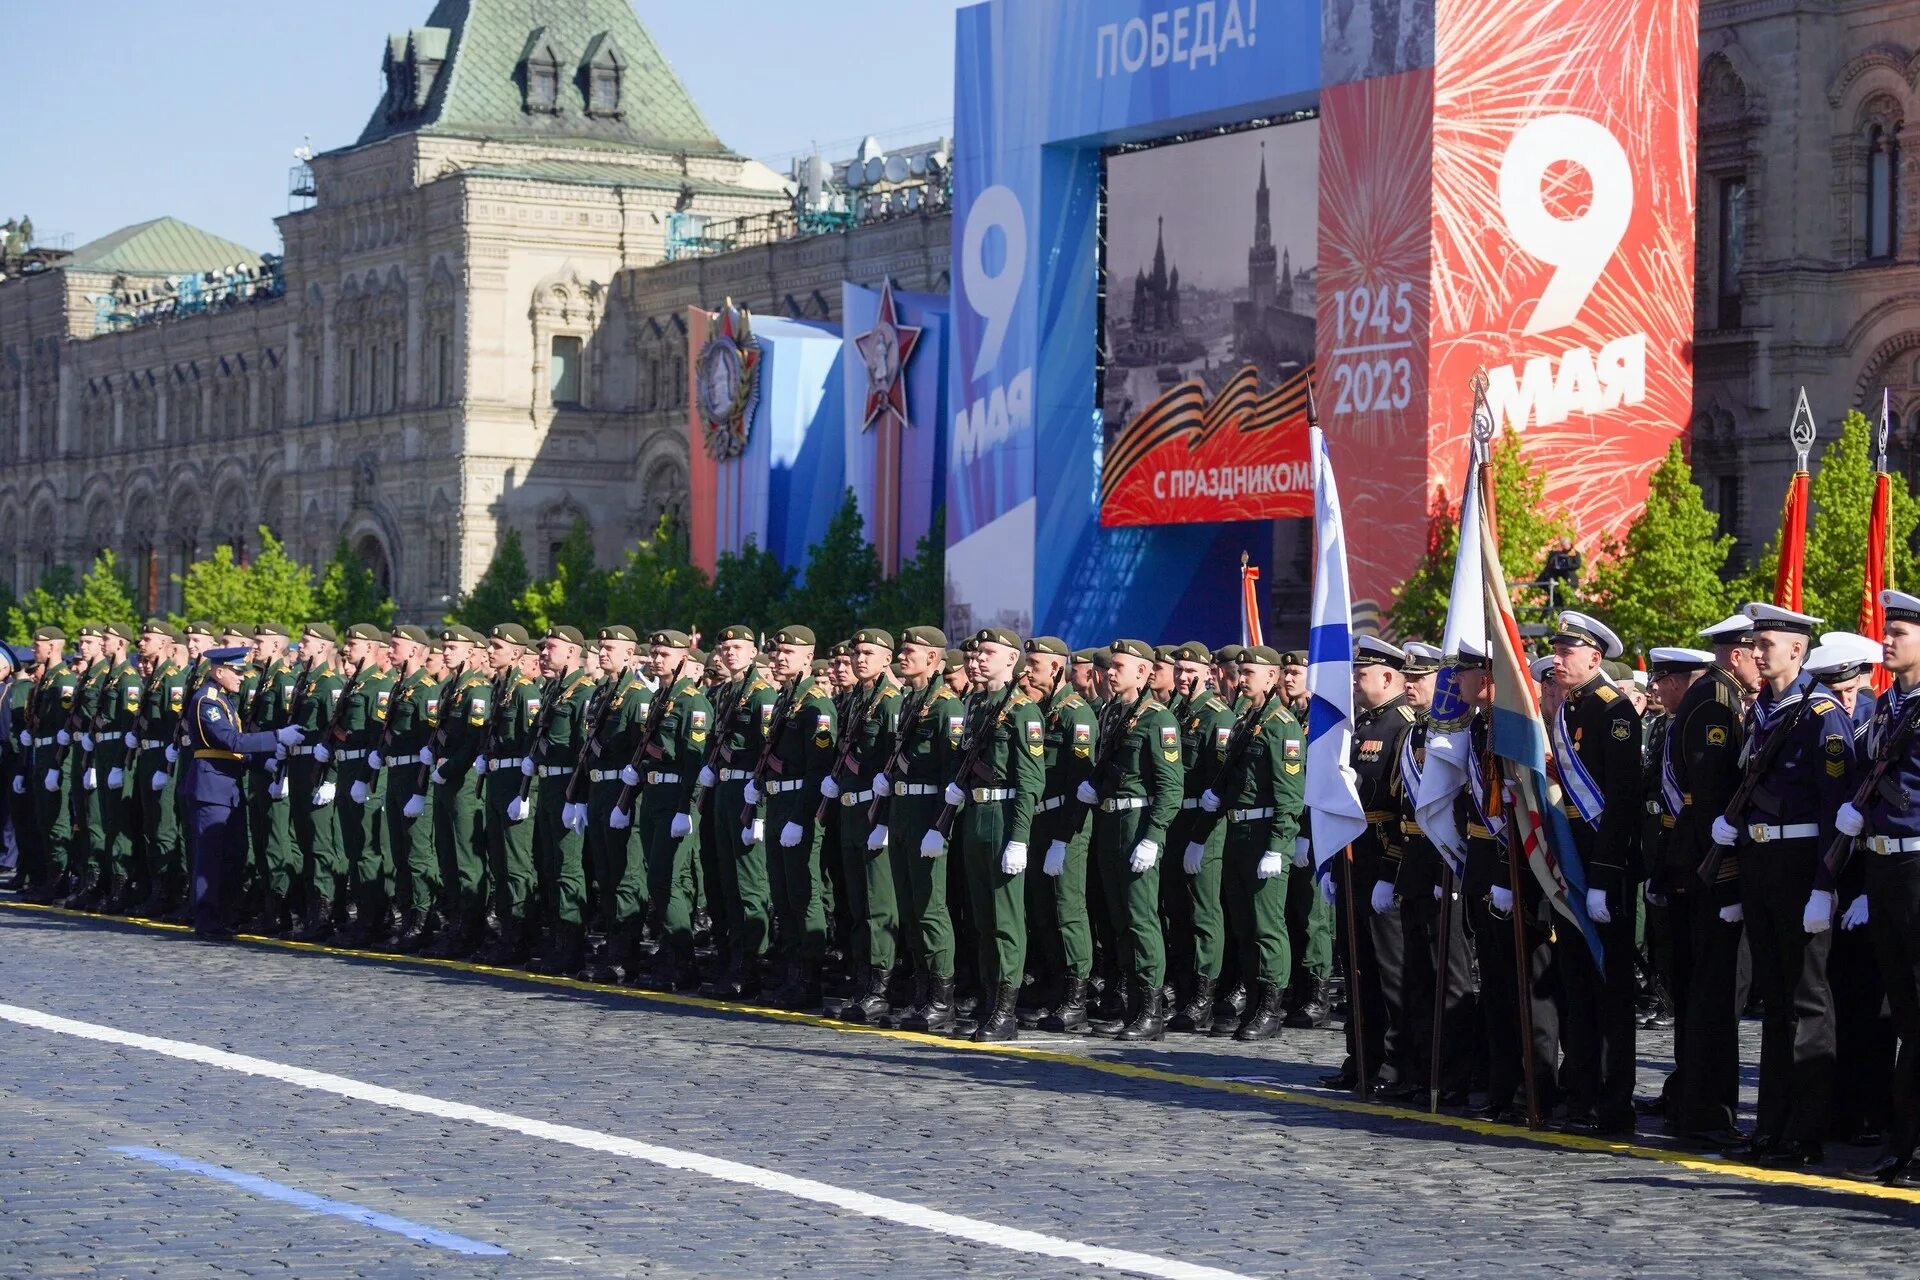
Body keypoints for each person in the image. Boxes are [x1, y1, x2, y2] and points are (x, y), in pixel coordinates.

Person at [1708, 602, 1855, 1167]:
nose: (1756, 650)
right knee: (1774, 1002)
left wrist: (1825, 884)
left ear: (1797, 649)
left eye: (1766, 642)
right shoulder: (1765, 710)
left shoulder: (1821, 715)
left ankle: (1805, 1129)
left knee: (1807, 999)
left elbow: (1838, 807)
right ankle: (1771, 1123)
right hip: (1763, 862)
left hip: (1800, 863)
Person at [1642, 643, 1745, 1148]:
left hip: (1702, 865)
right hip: (1689, 862)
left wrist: (1719, 874)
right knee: (1694, 989)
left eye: (1665, 679)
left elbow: (1710, 795)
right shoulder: (1707, 701)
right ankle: (1695, 1101)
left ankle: (1705, 1106)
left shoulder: (1711, 703)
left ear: (1687, 678)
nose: (1658, 688)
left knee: (1708, 994)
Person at [1547, 610, 1643, 1136]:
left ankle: (1613, 1101)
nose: (1558, 659)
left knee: (1609, 989)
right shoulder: (1571, 709)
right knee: (1577, 985)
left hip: (1606, 871)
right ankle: (1581, 1094)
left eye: (1568, 651)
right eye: (1556, 650)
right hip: (1575, 867)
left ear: (1594, 657)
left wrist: (1604, 876)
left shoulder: (1614, 710)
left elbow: (1623, 802)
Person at [1844, 590, 1920, 1184]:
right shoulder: (1890, 707)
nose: (1886, 640)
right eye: (1886, 630)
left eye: (1898, 631)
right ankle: (1905, 1138)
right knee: (1905, 1015)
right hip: (1884, 868)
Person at [935, 628, 1044, 1041]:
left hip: (1003, 816)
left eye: (988, 654)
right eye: (977, 653)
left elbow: (1031, 782)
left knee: (1005, 920)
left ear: (1010, 660)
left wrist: (1019, 838)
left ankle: (1005, 1010)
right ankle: (987, 998)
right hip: (977, 814)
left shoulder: (1022, 711)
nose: (978, 659)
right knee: (982, 919)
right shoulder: (976, 704)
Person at [1192, 645, 1305, 1040]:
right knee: (1243, 924)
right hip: (1238, 832)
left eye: (1250, 673)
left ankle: (1271, 1010)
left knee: (1267, 925)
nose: (1241, 679)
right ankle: (1254, 1002)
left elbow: (1289, 795)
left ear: (1272, 677)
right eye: (1240, 672)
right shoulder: (1246, 720)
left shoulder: (1281, 725)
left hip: (1263, 834)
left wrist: (1277, 846)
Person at [1809, 630, 1894, 1149]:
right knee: (1842, 996)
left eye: (1850, 682)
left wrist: (1867, 888)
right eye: (1832, 685)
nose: (1843, 695)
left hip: (1872, 877)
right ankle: (1845, 1108)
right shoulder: (1853, 721)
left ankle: (1875, 1111)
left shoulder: (1877, 717)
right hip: (1841, 878)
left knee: (1874, 1007)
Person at [1078, 638, 1183, 1041]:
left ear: (1142, 672)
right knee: (1118, 920)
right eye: (1110, 666)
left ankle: (1151, 1011)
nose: (1110, 672)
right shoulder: (1110, 713)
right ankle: (1133, 1005)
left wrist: (1153, 837)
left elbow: (1171, 787)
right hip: (1109, 823)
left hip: (1138, 822)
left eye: (1119, 666)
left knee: (1141, 919)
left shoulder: (1158, 719)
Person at [1326, 635, 1416, 1094]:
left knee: (1388, 968)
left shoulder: (1403, 725)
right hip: (1352, 856)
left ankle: (1396, 1064)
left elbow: (1404, 807)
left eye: (1362, 675)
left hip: (1382, 857)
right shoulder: (1364, 723)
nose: (1355, 683)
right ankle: (1360, 1056)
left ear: (1388, 676)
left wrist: (1389, 871)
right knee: (1355, 962)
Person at [180, 646, 305, 938]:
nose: (241, 677)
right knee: (210, 856)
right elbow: (229, 741)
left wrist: (266, 763)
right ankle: (208, 918)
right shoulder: (206, 701)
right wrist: (276, 737)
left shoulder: (224, 701)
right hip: (211, 788)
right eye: (236, 672)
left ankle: (225, 914)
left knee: (234, 854)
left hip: (228, 787)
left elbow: (235, 751)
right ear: (218, 671)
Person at [876, 626, 963, 1031]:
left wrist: (939, 826)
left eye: (910, 650)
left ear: (933, 659)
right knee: (909, 907)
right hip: (902, 811)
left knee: (930, 909)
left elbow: (953, 770)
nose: (903, 655)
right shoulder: (911, 701)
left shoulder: (947, 706)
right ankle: (921, 993)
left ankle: (942, 1000)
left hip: (929, 814)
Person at [751, 625, 837, 1009]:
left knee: (804, 894)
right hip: (777, 803)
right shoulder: (787, 700)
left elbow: (819, 769)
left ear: (808, 657)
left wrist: (801, 818)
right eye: (776, 652)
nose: (780, 658)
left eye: (789, 652)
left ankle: (808, 976)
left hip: (798, 807)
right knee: (782, 896)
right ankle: (788, 971)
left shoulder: (817, 704)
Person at [825, 628, 903, 1022]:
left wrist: (885, 821)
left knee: (878, 904)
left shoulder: (890, 703)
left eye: (868, 653)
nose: (859, 659)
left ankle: (881, 987)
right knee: (856, 903)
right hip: (850, 812)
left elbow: (893, 763)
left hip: (875, 814)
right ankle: (861, 980)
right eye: (856, 653)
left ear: (886, 659)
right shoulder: (856, 700)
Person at [1021, 635, 1098, 1032]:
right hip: (1039, 820)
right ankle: (1053, 985)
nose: (1026, 669)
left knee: (1069, 911)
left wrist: (1063, 838)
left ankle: (1076, 995)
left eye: (1033, 663)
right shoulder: (1043, 709)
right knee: (1042, 910)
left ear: (1055, 667)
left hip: (1065, 824)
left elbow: (1081, 784)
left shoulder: (1075, 714)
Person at [1166, 642, 1236, 1033]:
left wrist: (1201, 834)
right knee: (1177, 910)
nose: (1183, 677)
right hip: (1176, 820)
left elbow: (1220, 781)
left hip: (1203, 822)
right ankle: (1184, 988)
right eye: (1179, 670)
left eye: (1190, 671)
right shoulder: (1175, 712)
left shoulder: (1216, 717)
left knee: (1203, 912)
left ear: (1208, 672)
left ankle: (1204, 998)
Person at [526, 625, 597, 975]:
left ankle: (570, 946)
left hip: (568, 788)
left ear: (572, 652)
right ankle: (555, 939)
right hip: (548, 788)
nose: (543, 652)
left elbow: (583, 751)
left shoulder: (584, 692)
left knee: (569, 869)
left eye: (550, 646)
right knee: (549, 866)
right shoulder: (556, 690)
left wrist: (579, 797)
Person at [475, 623, 541, 965]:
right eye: (490, 644)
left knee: (516, 866)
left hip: (516, 781)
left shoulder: (524, 691)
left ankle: (520, 937)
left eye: (497, 646)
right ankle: (507, 933)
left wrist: (524, 792)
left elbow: (531, 742)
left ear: (516, 653)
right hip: (497, 781)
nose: (490, 650)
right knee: (499, 862)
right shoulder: (499, 688)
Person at [378, 625, 443, 951]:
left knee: (418, 856)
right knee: (399, 854)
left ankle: (423, 921)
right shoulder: (400, 688)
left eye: (396, 646)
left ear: (416, 651)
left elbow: (429, 743)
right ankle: (407, 919)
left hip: (415, 779)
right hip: (395, 777)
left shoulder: (426, 690)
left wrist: (420, 790)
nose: (390, 651)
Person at [285, 624, 346, 940]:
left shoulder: (330, 685)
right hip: (297, 767)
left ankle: (325, 914)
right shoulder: (304, 682)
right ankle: (310, 910)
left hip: (316, 771)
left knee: (320, 845)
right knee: (303, 842)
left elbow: (337, 733)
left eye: (307, 642)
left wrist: (331, 779)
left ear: (323, 647)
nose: (301, 646)